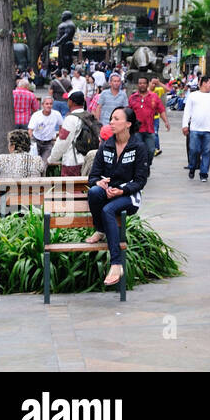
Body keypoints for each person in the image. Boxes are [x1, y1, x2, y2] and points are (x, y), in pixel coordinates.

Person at [84, 105, 151, 287]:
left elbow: (140, 180)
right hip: (108, 192)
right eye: (111, 118)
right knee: (94, 192)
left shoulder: (138, 147)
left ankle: (116, 264)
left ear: (128, 124)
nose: (111, 122)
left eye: (116, 119)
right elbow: (93, 176)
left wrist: (123, 190)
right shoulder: (106, 146)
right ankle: (101, 230)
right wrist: (99, 183)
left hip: (129, 196)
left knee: (108, 210)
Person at [50, 90, 101, 177]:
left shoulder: (70, 119)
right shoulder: (89, 116)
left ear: (71, 102)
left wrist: (52, 159)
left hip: (72, 162)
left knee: (69, 190)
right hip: (87, 161)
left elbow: (62, 142)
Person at [182, 75, 210, 182]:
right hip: (195, 128)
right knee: (194, 150)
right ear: (203, 83)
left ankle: (204, 173)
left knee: (207, 151)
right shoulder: (193, 95)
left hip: (209, 129)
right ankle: (192, 166)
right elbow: (187, 111)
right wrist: (185, 125)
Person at [127, 76, 166, 162]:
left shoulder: (154, 96)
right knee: (137, 151)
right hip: (137, 130)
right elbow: (128, 112)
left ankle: (147, 165)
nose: (142, 85)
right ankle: (140, 168)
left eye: (144, 83)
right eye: (140, 83)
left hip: (149, 129)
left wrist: (166, 122)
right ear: (138, 85)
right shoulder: (133, 97)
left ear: (147, 84)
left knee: (151, 150)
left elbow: (161, 109)